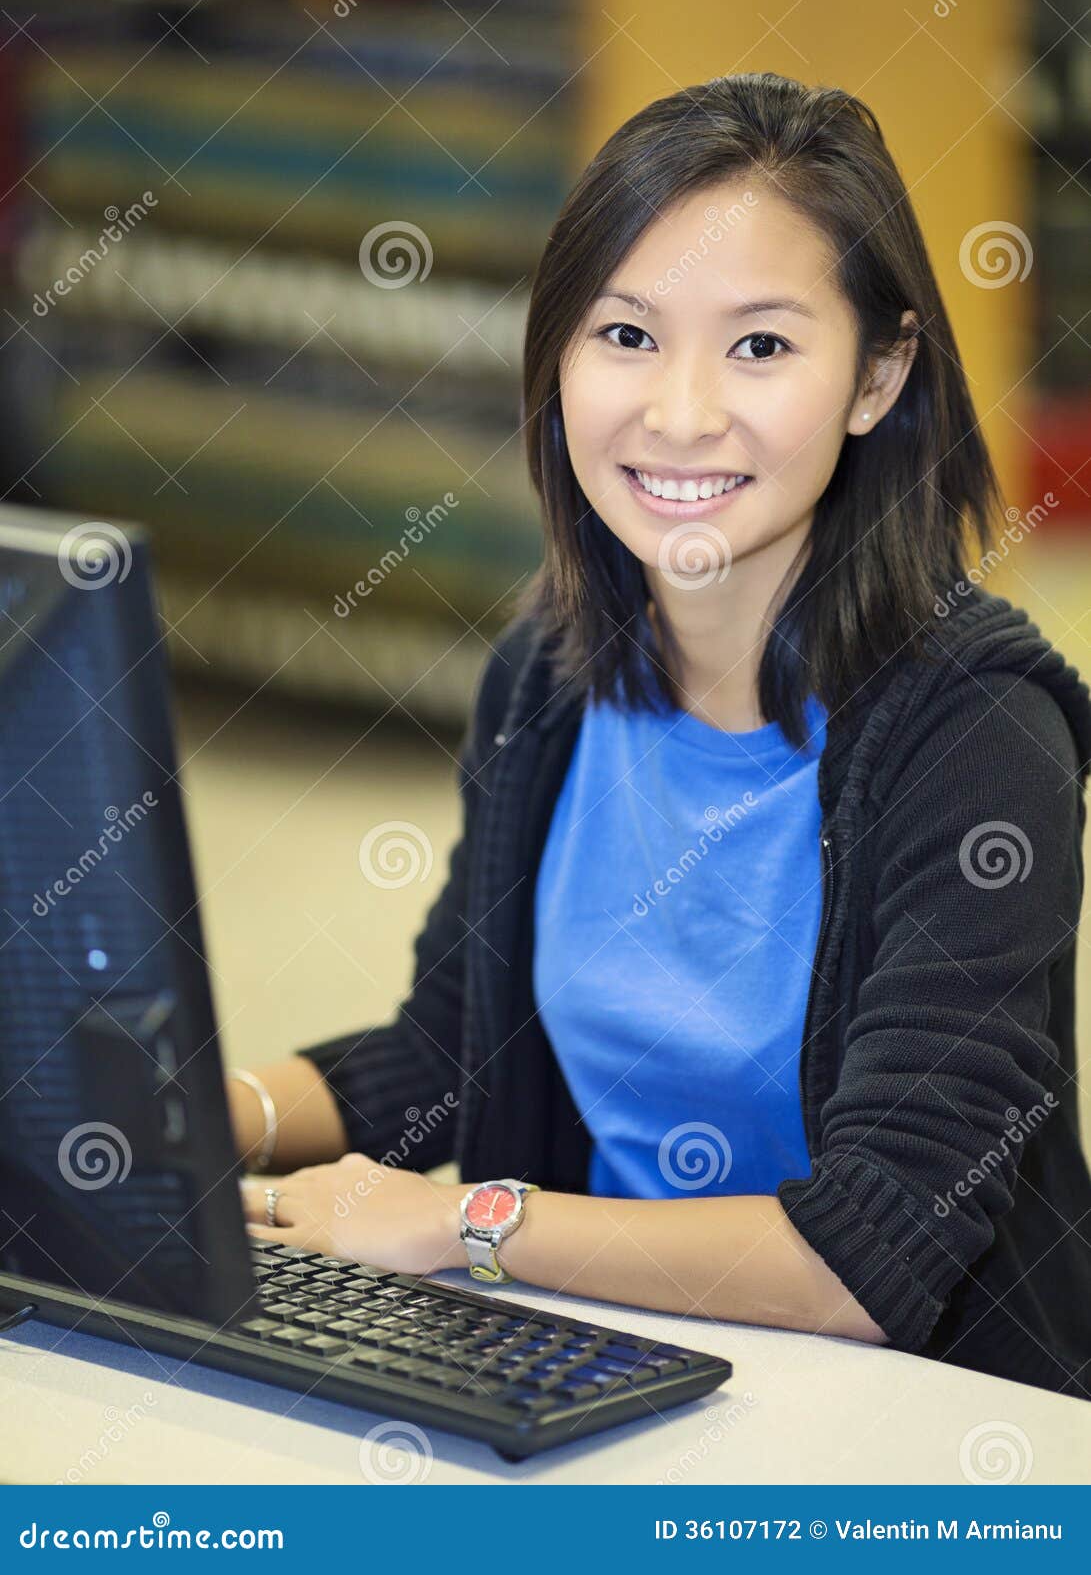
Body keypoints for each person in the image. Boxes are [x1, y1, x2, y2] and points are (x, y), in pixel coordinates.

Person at [230, 71, 1091, 1400]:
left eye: (761, 347)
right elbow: (450, 1050)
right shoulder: (548, 679)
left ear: (878, 375)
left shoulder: (979, 737)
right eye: (627, 334)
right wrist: (182, 1114)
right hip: (606, 1367)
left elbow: (866, 1261)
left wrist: (470, 1223)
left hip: (912, 1428)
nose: (681, 413)